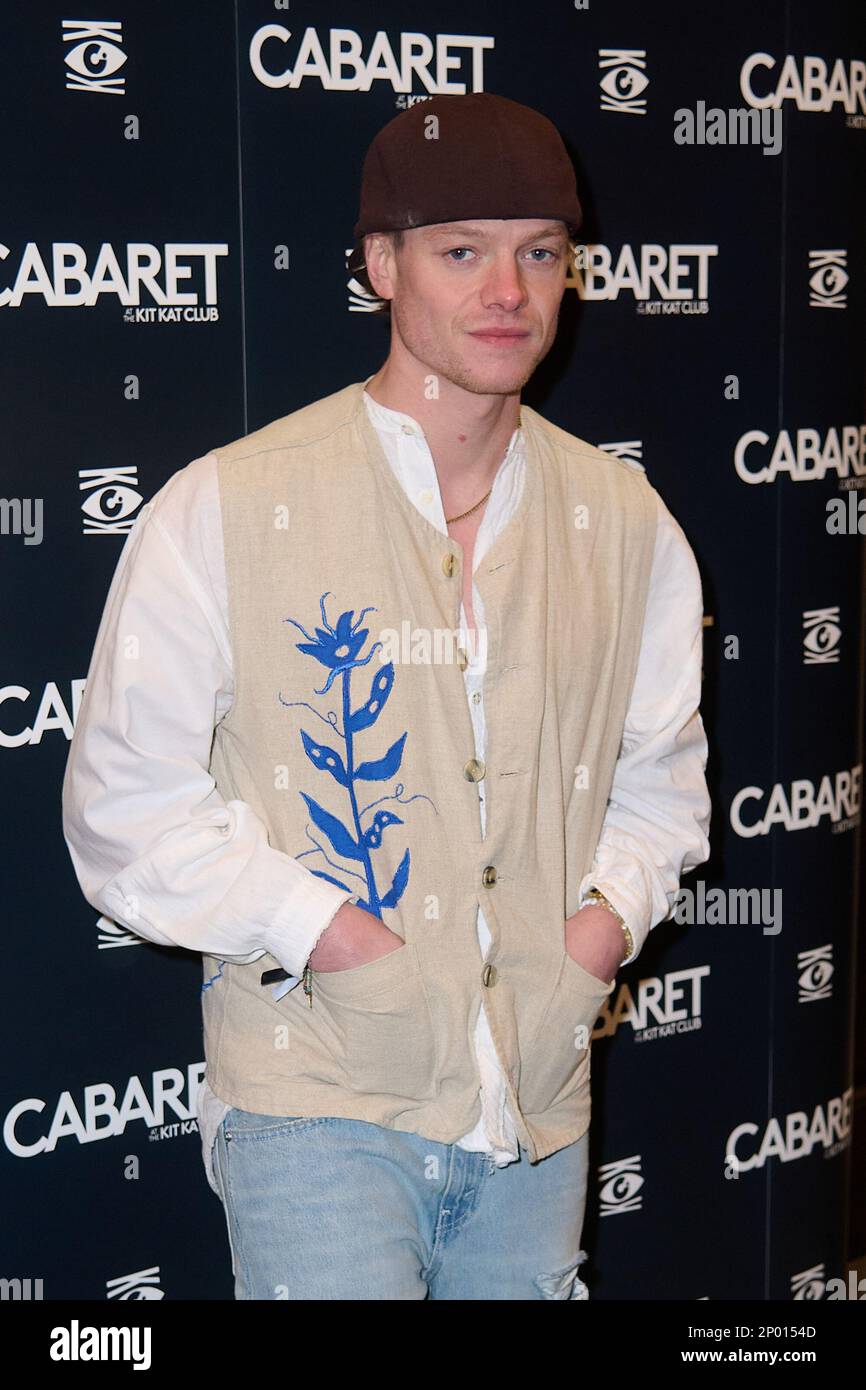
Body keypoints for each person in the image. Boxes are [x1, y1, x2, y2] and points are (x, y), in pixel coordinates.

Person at [62, 91, 711, 1300]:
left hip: (539, 1112)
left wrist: (588, 941)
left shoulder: (627, 523)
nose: (507, 292)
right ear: (379, 266)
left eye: (539, 253)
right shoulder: (226, 505)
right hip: (317, 1111)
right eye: (461, 251)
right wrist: (334, 939)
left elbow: (663, 784)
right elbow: (124, 808)